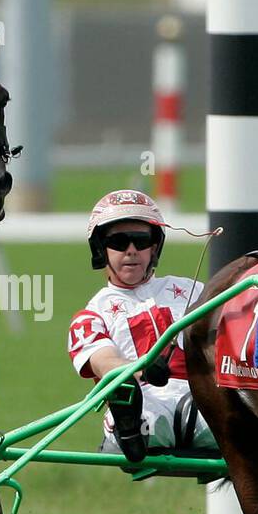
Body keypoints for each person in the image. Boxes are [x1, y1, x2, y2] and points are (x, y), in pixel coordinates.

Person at [67, 189, 217, 461]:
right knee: (133, 402)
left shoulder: (193, 291)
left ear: (154, 246)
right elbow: (105, 361)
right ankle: (129, 429)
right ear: (101, 248)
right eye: (119, 241)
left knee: (236, 410)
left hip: (202, 402)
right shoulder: (91, 314)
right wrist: (141, 370)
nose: (132, 250)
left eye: (141, 240)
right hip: (144, 405)